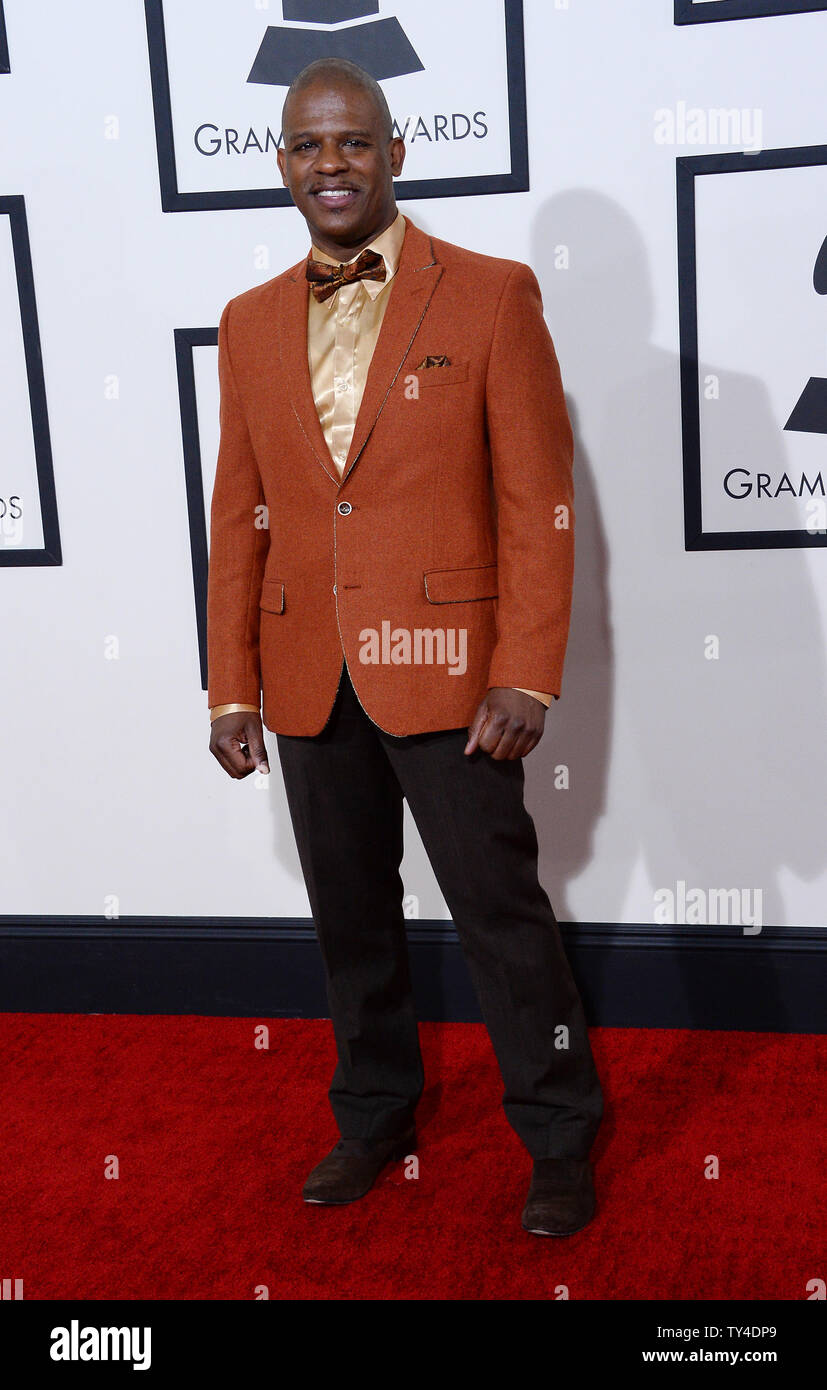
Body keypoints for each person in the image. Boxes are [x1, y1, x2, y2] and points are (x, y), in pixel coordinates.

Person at [207, 57, 603, 1235]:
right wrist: (232, 682)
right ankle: (374, 1112)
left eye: (352, 142)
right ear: (282, 164)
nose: (330, 164)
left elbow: (537, 500)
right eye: (306, 145)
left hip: (454, 678)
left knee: (501, 917)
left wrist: (523, 668)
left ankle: (560, 1128)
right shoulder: (248, 322)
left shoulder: (488, 294)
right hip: (305, 676)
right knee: (349, 918)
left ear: (394, 151)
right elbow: (240, 513)